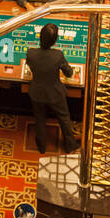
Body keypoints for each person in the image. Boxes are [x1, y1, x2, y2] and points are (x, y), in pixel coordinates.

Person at [27, 22, 78, 154]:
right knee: (64, 118)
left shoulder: (30, 53)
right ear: (54, 41)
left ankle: (41, 146)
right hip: (55, 93)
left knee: (39, 119)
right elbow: (69, 73)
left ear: (40, 37)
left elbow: (31, 66)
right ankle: (70, 145)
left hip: (36, 93)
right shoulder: (58, 55)